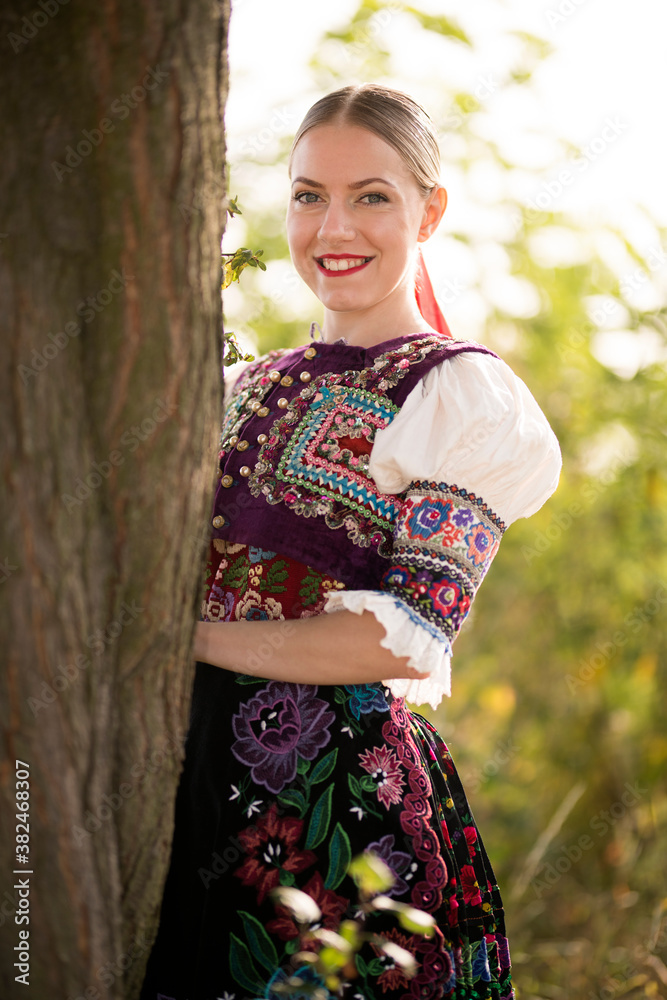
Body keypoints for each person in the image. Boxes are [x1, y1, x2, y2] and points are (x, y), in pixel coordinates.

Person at [141, 83, 561, 1000]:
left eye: (371, 196)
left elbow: (402, 632)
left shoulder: (458, 396)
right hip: (176, 783)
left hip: (337, 812)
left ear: (429, 209)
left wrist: (181, 642)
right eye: (307, 196)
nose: (335, 227)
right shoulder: (240, 385)